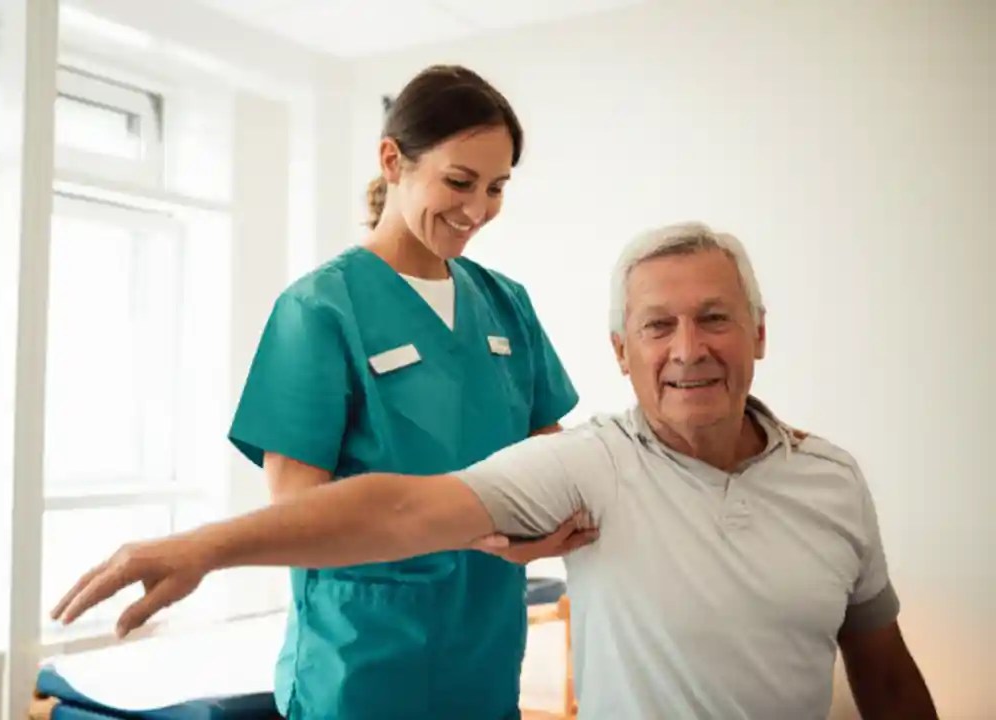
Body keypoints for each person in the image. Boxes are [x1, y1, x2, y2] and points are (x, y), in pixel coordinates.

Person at [53, 222, 937, 719]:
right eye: (659, 329)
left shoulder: (833, 480)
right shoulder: (590, 464)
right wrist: (205, 547)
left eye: (715, 319)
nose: (688, 350)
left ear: (760, 333)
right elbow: (397, 510)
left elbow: (886, 673)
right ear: (621, 354)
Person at [224, 64, 592, 719]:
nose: (478, 209)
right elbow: (296, 519)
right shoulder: (319, 310)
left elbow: (551, 467)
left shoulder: (506, 305)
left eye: (497, 187)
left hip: (483, 656)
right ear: (393, 160)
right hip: (361, 664)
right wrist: (460, 528)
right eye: (459, 181)